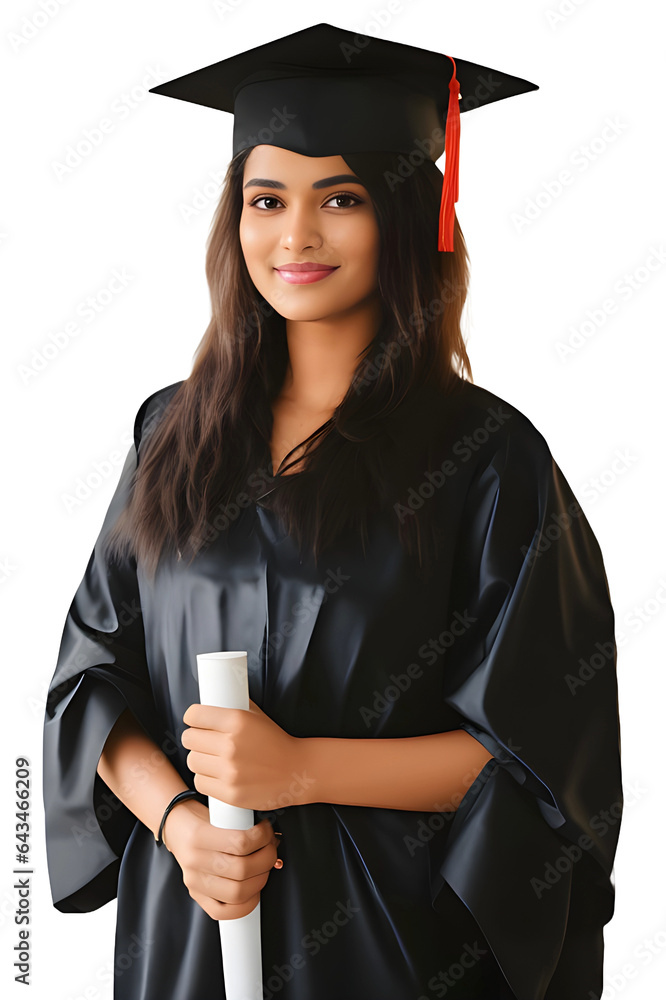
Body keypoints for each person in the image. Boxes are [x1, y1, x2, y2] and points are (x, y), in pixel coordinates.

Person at [42, 23, 622, 1000]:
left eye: (340, 199)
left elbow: (536, 753)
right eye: (266, 199)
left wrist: (299, 767)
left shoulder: (484, 458)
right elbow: (92, 681)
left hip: (387, 944)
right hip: (194, 927)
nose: (295, 236)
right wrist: (185, 825)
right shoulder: (171, 434)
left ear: (406, 216)